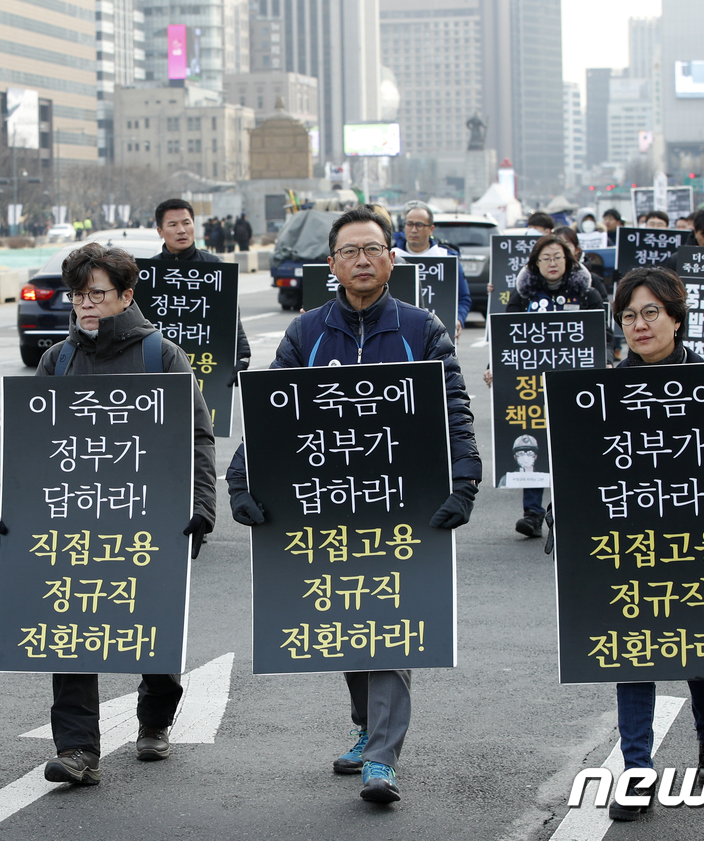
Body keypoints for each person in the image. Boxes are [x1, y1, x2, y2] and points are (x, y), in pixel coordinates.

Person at [226, 206, 481, 804]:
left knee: (393, 627)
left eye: (373, 249)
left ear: (392, 257)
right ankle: (366, 728)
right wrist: (241, 480)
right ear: (332, 263)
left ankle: (382, 760)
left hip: (403, 505)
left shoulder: (422, 329)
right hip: (328, 506)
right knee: (346, 621)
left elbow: (455, 412)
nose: (362, 260)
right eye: (349, 252)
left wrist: (464, 481)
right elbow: (270, 415)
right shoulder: (306, 333)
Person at [0, 243, 216, 787]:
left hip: (148, 516)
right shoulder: (57, 360)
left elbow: (197, 436)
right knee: (69, 625)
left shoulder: (162, 355)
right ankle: (78, 750)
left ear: (126, 296)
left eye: (97, 294)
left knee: (151, 624)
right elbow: (28, 444)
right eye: (77, 296)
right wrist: (4, 506)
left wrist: (202, 505)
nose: (85, 306)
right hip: (71, 515)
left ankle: (155, 718)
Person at [606, 265, 704, 821]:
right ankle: (636, 771)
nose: (639, 324)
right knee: (632, 650)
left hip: (695, 539)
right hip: (631, 540)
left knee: (700, 651)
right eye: (629, 316)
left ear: (676, 318)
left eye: (651, 312)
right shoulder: (602, 392)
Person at [482, 233, 606, 538]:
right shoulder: (523, 296)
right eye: (545, 258)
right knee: (531, 441)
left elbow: (603, 339)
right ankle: (534, 514)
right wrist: (493, 367)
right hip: (531, 388)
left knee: (571, 447)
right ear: (535, 264)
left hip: (574, 386)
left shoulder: (588, 294)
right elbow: (506, 338)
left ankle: (567, 510)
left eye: (558, 257)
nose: (552, 263)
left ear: (570, 260)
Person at [152, 198, 252, 385]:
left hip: (207, 367)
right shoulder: (149, 273)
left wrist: (242, 355)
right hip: (160, 366)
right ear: (160, 231)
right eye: (172, 224)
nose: (181, 230)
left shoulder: (214, 267)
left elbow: (230, 316)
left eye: (186, 223)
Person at [393, 201, 472, 340]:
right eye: (409, 224)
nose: (413, 230)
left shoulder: (447, 258)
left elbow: (464, 298)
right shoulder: (391, 257)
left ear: (431, 229)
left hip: (438, 337)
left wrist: (458, 319)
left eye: (419, 225)